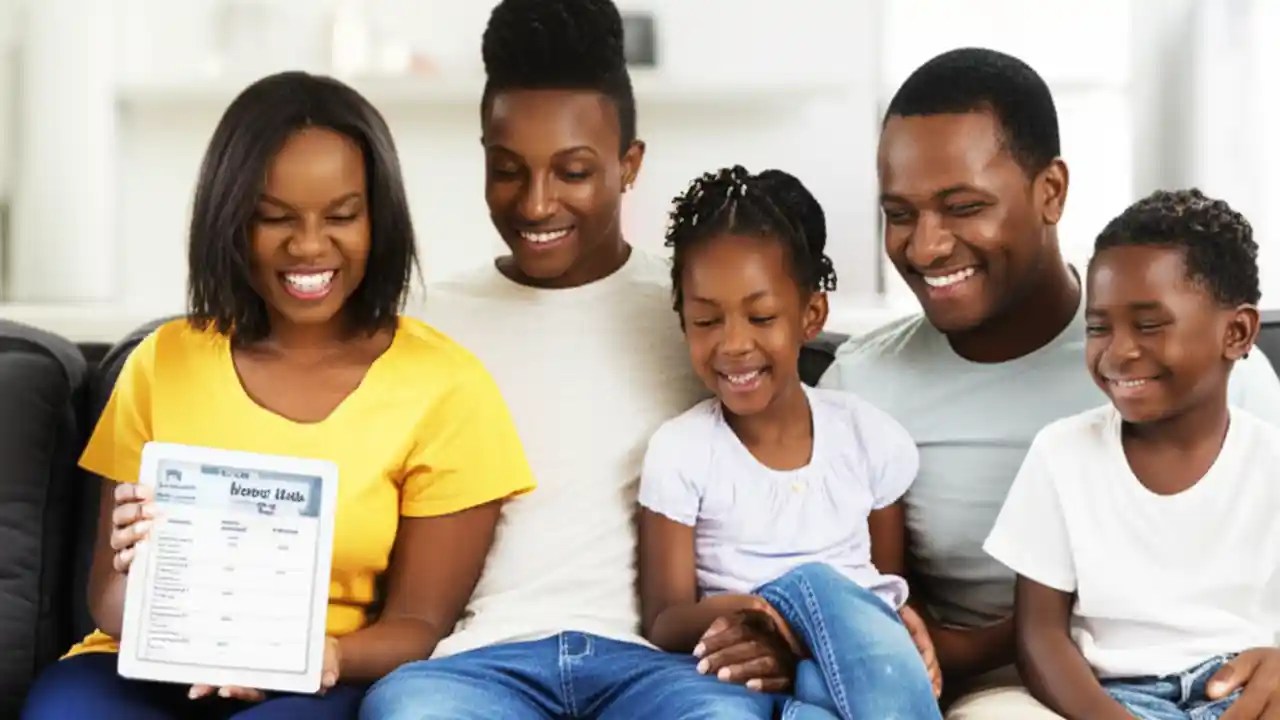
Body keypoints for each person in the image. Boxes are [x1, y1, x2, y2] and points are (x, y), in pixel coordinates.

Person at [21, 71, 535, 720]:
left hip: (324, 677)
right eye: (274, 218)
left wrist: (328, 656)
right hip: (147, 666)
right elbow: (108, 597)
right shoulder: (163, 362)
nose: (310, 246)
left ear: (379, 220)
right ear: (232, 221)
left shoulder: (446, 386)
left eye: (342, 216)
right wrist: (136, 581)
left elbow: (418, 624)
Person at [818, 47, 1280, 719]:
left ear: (1051, 192)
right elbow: (843, 602)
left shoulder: (1211, 374)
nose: (925, 247)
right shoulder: (859, 387)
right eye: (900, 214)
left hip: (1213, 678)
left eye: (963, 206)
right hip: (1006, 695)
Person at [359, 2, 789, 719]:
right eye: (507, 170)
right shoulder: (424, 322)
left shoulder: (700, 317)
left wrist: (775, 631)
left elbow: (786, 484)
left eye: (573, 171)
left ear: (630, 165)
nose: (536, 202)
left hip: (660, 667)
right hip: (473, 667)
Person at [637, 165, 943, 720]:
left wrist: (900, 632)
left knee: (831, 611)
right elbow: (664, 619)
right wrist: (760, 613)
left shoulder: (866, 438)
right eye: (706, 320)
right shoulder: (681, 451)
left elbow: (887, 588)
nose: (733, 344)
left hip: (844, 665)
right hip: (741, 675)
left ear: (811, 315)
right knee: (810, 603)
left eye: (760, 317)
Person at [984, 189, 1280, 720]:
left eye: (1148, 325)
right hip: (1108, 699)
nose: (1118, 352)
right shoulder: (1062, 453)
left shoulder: (1271, 459)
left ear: (1236, 333)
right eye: (1099, 328)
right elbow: (1039, 634)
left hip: (1242, 690)